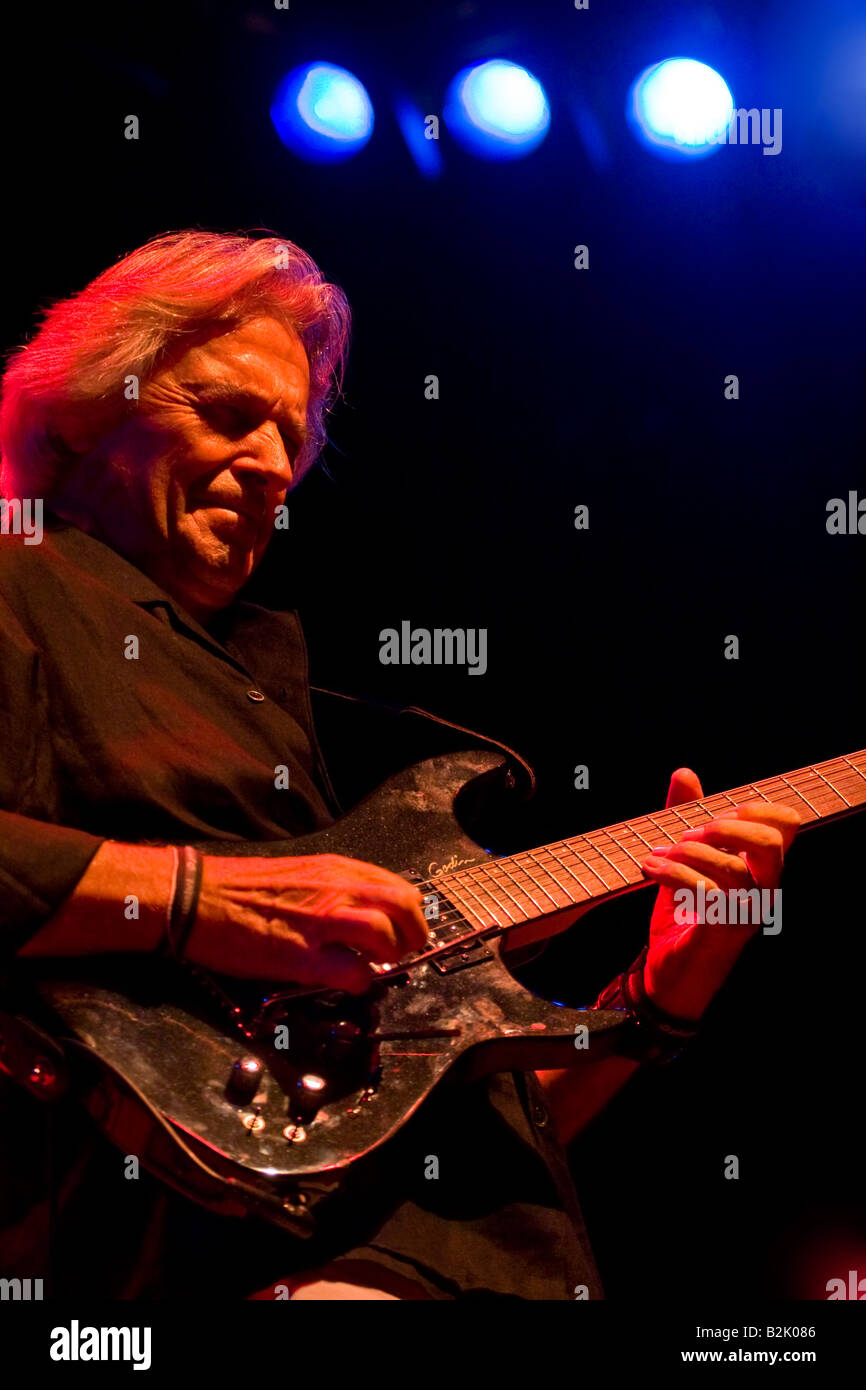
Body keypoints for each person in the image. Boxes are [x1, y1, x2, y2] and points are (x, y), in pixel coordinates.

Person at [0, 230, 800, 1300]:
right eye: (228, 413)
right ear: (88, 408)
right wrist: (203, 897)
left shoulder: (271, 701)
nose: (277, 466)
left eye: (292, 437)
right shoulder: (22, 585)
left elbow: (406, 1151)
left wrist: (656, 1001)